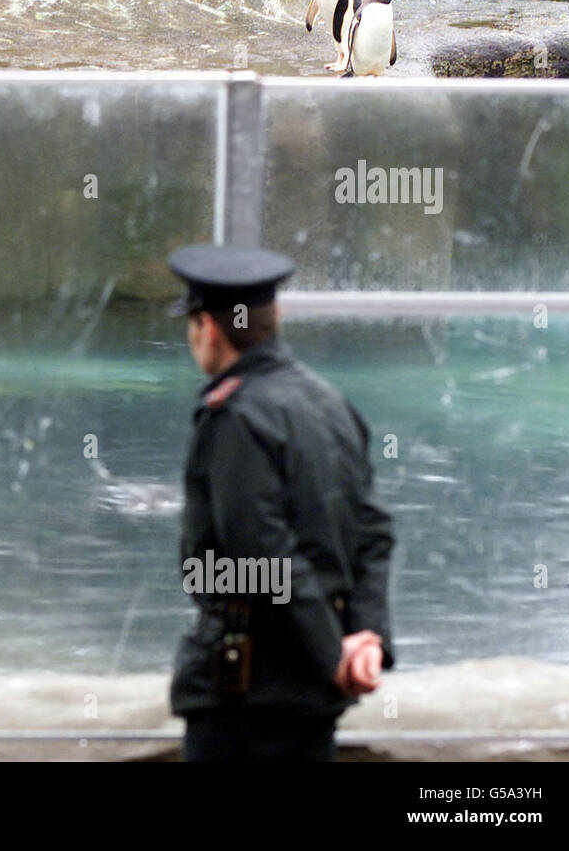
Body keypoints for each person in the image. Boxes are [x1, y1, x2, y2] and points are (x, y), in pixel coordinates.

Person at [166, 243, 395, 762]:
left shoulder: (236, 417)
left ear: (208, 329)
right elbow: (374, 531)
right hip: (311, 699)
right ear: (277, 318)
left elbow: (260, 552)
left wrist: (332, 652)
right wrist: (364, 634)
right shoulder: (329, 402)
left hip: (247, 700)